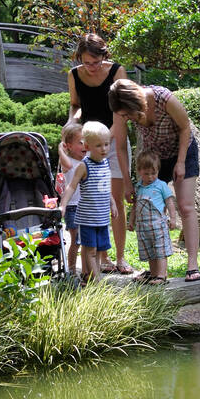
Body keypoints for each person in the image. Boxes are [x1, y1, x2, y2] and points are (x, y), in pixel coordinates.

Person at [108, 78, 200, 281]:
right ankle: (155, 269)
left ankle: (192, 265)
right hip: (154, 157)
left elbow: (185, 127)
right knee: (145, 207)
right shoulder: (120, 110)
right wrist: (127, 183)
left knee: (185, 206)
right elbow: (121, 147)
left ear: (134, 102)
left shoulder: (163, 97)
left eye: (127, 113)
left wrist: (181, 162)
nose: (125, 118)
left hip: (183, 150)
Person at [68, 32, 133, 274]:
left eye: (96, 62)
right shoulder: (74, 75)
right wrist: (71, 124)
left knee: (115, 200)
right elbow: (76, 105)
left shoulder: (117, 72)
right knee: (94, 201)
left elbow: (121, 115)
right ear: (79, 59)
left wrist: (102, 145)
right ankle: (101, 258)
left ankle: (121, 257)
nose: (92, 67)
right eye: (87, 62)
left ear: (104, 56)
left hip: (113, 143)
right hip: (88, 145)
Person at [59, 122, 118, 282]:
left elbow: (105, 187)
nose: (104, 149)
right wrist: (63, 204)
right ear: (87, 146)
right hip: (87, 218)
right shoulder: (84, 166)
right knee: (90, 250)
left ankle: (91, 278)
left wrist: (112, 202)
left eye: (106, 144)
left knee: (99, 250)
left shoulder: (105, 163)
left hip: (102, 218)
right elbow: (71, 187)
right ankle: (97, 282)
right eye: (98, 145)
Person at [129, 150, 177, 283]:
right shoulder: (138, 187)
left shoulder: (161, 185)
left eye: (153, 173)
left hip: (158, 225)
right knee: (150, 251)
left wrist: (173, 218)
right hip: (143, 227)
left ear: (158, 171)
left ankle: (162, 276)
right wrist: (131, 221)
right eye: (146, 174)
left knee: (160, 250)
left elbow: (169, 202)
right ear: (139, 171)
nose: (150, 177)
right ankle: (154, 274)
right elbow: (135, 206)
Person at [58, 123, 86, 274]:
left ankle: (86, 269)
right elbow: (67, 163)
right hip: (73, 207)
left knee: (85, 241)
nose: (84, 145)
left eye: (85, 141)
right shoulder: (68, 162)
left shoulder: (86, 159)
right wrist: (60, 149)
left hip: (86, 206)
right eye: (80, 142)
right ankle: (72, 269)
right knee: (76, 241)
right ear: (68, 146)